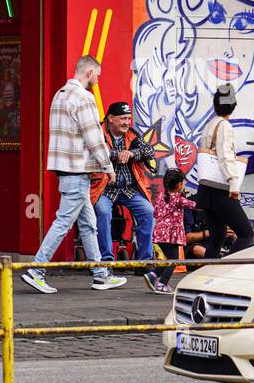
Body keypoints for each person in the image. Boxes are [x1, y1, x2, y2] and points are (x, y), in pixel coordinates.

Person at [21, 56, 125, 294]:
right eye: (97, 75)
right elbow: (94, 138)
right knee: (64, 221)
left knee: (88, 224)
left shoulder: (60, 94)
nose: (98, 80)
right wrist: (108, 168)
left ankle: (100, 274)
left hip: (64, 167)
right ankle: (37, 269)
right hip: (78, 169)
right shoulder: (84, 98)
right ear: (89, 72)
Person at [91, 101, 159, 291]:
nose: (126, 122)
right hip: (104, 188)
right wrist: (116, 154)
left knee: (147, 211)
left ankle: (143, 262)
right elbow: (93, 153)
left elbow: (149, 151)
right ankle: (106, 263)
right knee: (103, 212)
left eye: (128, 118)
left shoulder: (132, 134)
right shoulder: (98, 133)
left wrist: (132, 153)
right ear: (110, 119)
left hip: (128, 189)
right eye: (122, 118)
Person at [194, 84, 254, 258]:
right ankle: (225, 270)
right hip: (222, 190)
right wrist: (234, 184)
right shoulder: (225, 126)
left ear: (215, 105)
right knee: (246, 234)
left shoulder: (210, 124)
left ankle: (207, 274)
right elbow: (225, 156)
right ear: (233, 106)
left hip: (207, 190)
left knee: (217, 238)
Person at [150, 168, 195, 291]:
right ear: (180, 185)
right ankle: (162, 284)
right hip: (171, 235)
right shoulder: (179, 199)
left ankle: (153, 275)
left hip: (159, 233)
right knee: (174, 259)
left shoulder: (160, 196)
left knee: (170, 257)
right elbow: (193, 205)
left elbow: (155, 213)